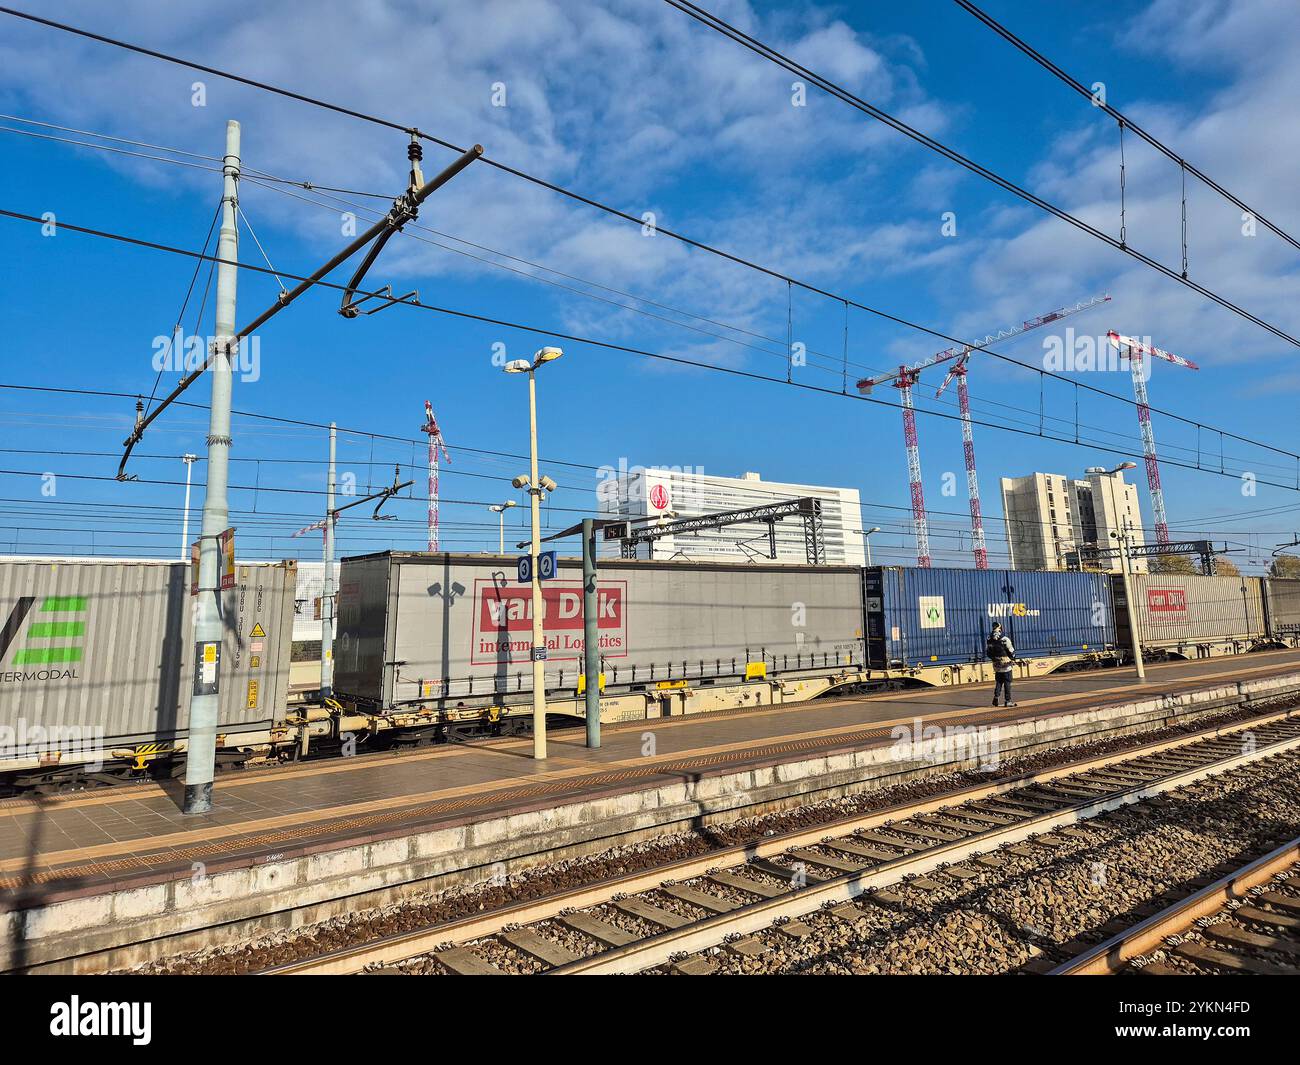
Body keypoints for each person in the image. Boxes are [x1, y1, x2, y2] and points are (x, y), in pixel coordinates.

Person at [987, 622, 1017, 707]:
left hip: (996, 664)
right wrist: (1013, 659)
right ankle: (1008, 701)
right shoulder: (1005, 639)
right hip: (1006, 664)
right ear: (1000, 629)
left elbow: (988, 653)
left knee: (999, 682)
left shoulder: (989, 639)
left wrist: (995, 659)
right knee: (1007, 682)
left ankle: (996, 697)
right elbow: (1011, 651)